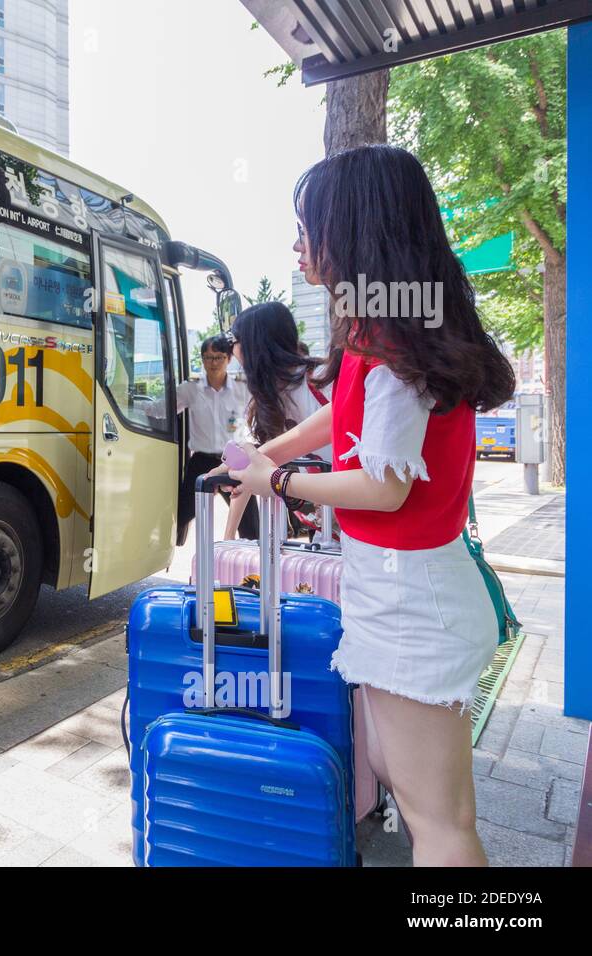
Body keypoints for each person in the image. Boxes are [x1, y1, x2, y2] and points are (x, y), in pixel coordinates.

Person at [224, 144, 515, 866]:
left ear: (354, 229)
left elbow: (383, 487)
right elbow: (339, 418)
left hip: (412, 596)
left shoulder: (389, 341)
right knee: (396, 771)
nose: (298, 244)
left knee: (439, 821)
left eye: (309, 225)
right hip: (396, 588)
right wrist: (275, 453)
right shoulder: (379, 329)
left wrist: (276, 483)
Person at [222, 301, 332, 540]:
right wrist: (228, 538)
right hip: (324, 527)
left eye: (235, 340)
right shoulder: (264, 397)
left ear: (255, 343)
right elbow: (252, 465)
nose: (232, 350)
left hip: (361, 519)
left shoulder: (323, 381)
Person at [176, 335, 257, 542]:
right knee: (180, 514)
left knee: (250, 526)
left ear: (229, 359)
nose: (212, 363)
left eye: (218, 357)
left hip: (234, 460)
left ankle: (253, 569)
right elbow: (163, 409)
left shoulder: (242, 386)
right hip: (202, 460)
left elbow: (262, 408)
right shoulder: (191, 388)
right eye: (207, 358)